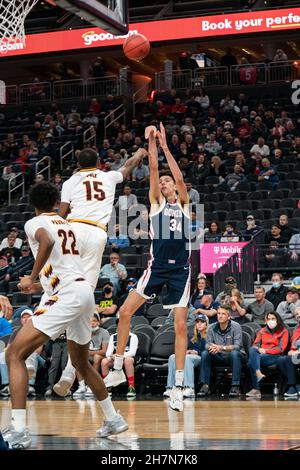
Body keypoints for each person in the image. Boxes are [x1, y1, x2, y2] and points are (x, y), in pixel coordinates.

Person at [2, 182, 128, 449]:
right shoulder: (66, 224)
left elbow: (45, 242)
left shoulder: (35, 222)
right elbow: (64, 265)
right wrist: (38, 284)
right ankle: (112, 418)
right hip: (82, 291)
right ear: (57, 202)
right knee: (81, 364)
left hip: (66, 295)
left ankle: (20, 428)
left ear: (33, 203)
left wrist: (31, 277)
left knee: (14, 354)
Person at [104, 123, 191, 413]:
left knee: (180, 325)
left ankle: (178, 387)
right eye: (163, 183)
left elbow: (177, 176)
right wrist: (152, 144)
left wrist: (166, 145)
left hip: (180, 270)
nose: (165, 183)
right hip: (155, 270)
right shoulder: (155, 204)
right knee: (125, 312)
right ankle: (116, 367)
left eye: (168, 182)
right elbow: (154, 170)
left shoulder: (185, 204)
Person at [53, 147, 146, 397]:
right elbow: (127, 166)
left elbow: (61, 214)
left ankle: (63, 360)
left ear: (77, 163)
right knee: (84, 299)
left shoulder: (71, 181)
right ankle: (71, 371)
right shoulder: (107, 177)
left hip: (71, 231)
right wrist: (140, 152)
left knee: (65, 291)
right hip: (95, 233)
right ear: (99, 162)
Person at [198, 304, 246, 398]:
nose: (220, 316)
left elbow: (237, 346)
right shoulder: (211, 327)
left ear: (229, 317)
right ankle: (205, 386)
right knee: (205, 353)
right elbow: (207, 344)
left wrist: (221, 347)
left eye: (223, 314)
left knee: (235, 354)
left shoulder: (236, 326)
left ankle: (235, 386)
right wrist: (212, 348)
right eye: (218, 313)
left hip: (234, 356)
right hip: (219, 356)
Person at [0, 309, 43, 398]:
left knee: (31, 354)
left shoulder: (38, 330)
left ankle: (29, 385)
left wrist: (22, 350)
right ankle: (7, 385)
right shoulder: (16, 332)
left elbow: (38, 351)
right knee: (2, 355)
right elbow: (9, 348)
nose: (26, 319)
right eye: (24, 317)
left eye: (28, 317)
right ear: (21, 320)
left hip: (36, 356)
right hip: (19, 354)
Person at [164, 314, 208, 399]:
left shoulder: (209, 335)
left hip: (201, 357)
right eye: (197, 322)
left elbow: (208, 351)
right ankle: (170, 387)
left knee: (188, 358)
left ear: (206, 324)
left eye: (202, 322)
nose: (199, 324)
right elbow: (184, 347)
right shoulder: (191, 335)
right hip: (190, 355)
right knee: (173, 357)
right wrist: (186, 351)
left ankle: (189, 387)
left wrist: (196, 352)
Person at [246, 311, 288, 398]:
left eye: (273, 319)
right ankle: (258, 373)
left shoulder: (284, 331)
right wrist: (258, 349)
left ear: (277, 320)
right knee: (252, 349)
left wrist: (266, 351)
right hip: (261, 355)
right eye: (268, 319)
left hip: (276, 356)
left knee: (251, 362)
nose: (270, 321)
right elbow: (256, 344)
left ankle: (256, 389)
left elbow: (281, 349)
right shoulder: (262, 331)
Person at [73, 313, 110, 398]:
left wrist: (87, 353)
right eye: (90, 321)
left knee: (97, 357)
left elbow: (104, 351)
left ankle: (91, 386)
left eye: (94, 321)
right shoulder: (83, 332)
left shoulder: (104, 332)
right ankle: (82, 386)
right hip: (87, 355)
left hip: (99, 356)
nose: (92, 323)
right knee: (75, 359)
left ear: (98, 322)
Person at [101, 320, 138, 398]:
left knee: (128, 361)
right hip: (116, 358)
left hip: (128, 357)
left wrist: (119, 357)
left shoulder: (133, 336)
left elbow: (132, 352)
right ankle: (107, 387)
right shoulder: (113, 336)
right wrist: (111, 357)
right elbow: (108, 353)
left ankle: (131, 387)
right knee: (104, 361)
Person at [277, 307, 300, 397]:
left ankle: (292, 387)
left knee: (290, 359)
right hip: (295, 355)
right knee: (281, 360)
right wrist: (291, 351)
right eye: (297, 314)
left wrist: (297, 352)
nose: (299, 316)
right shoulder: (296, 329)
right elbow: (293, 346)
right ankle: (296, 385)